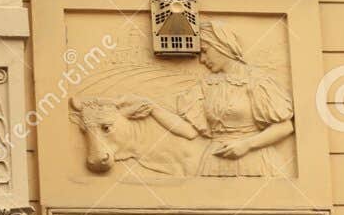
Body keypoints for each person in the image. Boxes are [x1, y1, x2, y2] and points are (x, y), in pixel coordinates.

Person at [115, 20, 294, 176]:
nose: (202, 59)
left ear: (221, 46)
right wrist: (152, 108)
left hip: (255, 162)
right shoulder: (206, 86)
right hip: (214, 162)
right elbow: (189, 130)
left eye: (205, 51)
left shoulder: (256, 82)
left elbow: (284, 126)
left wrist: (247, 145)